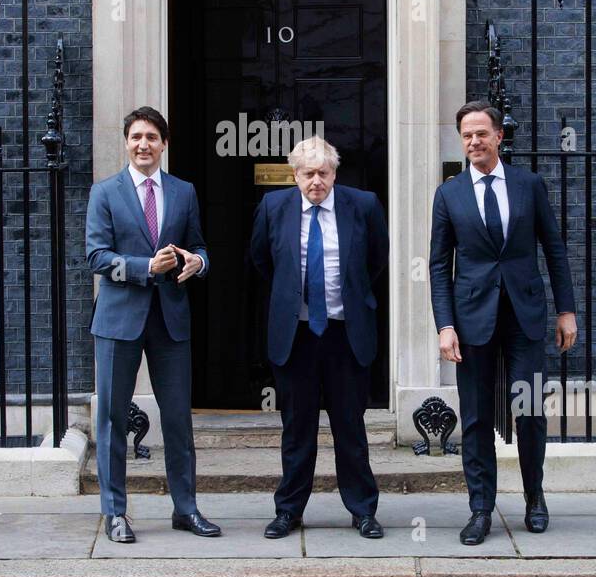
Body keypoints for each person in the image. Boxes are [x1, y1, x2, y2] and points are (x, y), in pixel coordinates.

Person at [429, 101, 577, 545]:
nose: (474, 141)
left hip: (524, 316)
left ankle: (535, 497)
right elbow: (439, 265)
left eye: (481, 134)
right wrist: (444, 324)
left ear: (498, 137)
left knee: (529, 411)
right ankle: (480, 509)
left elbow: (554, 248)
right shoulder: (449, 193)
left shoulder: (528, 185)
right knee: (474, 418)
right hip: (471, 318)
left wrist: (566, 310)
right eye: (466, 135)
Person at [85, 106, 220, 543]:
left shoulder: (184, 192)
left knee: (178, 419)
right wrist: (146, 266)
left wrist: (198, 262)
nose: (143, 144)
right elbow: (96, 257)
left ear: (164, 144)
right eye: (136, 137)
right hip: (118, 321)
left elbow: (199, 245)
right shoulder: (104, 193)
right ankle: (116, 513)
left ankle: (186, 509)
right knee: (111, 420)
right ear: (126, 142)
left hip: (171, 320)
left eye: (152, 137)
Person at [249, 136, 389, 540]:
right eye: (308, 174)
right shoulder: (274, 207)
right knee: (297, 428)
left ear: (334, 173)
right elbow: (261, 259)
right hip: (296, 337)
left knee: (350, 427)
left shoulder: (362, 205)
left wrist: (352, 295)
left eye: (323, 173)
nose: (316, 182)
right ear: (295, 175)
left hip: (346, 335)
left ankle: (363, 510)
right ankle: (288, 510)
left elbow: (376, 258)